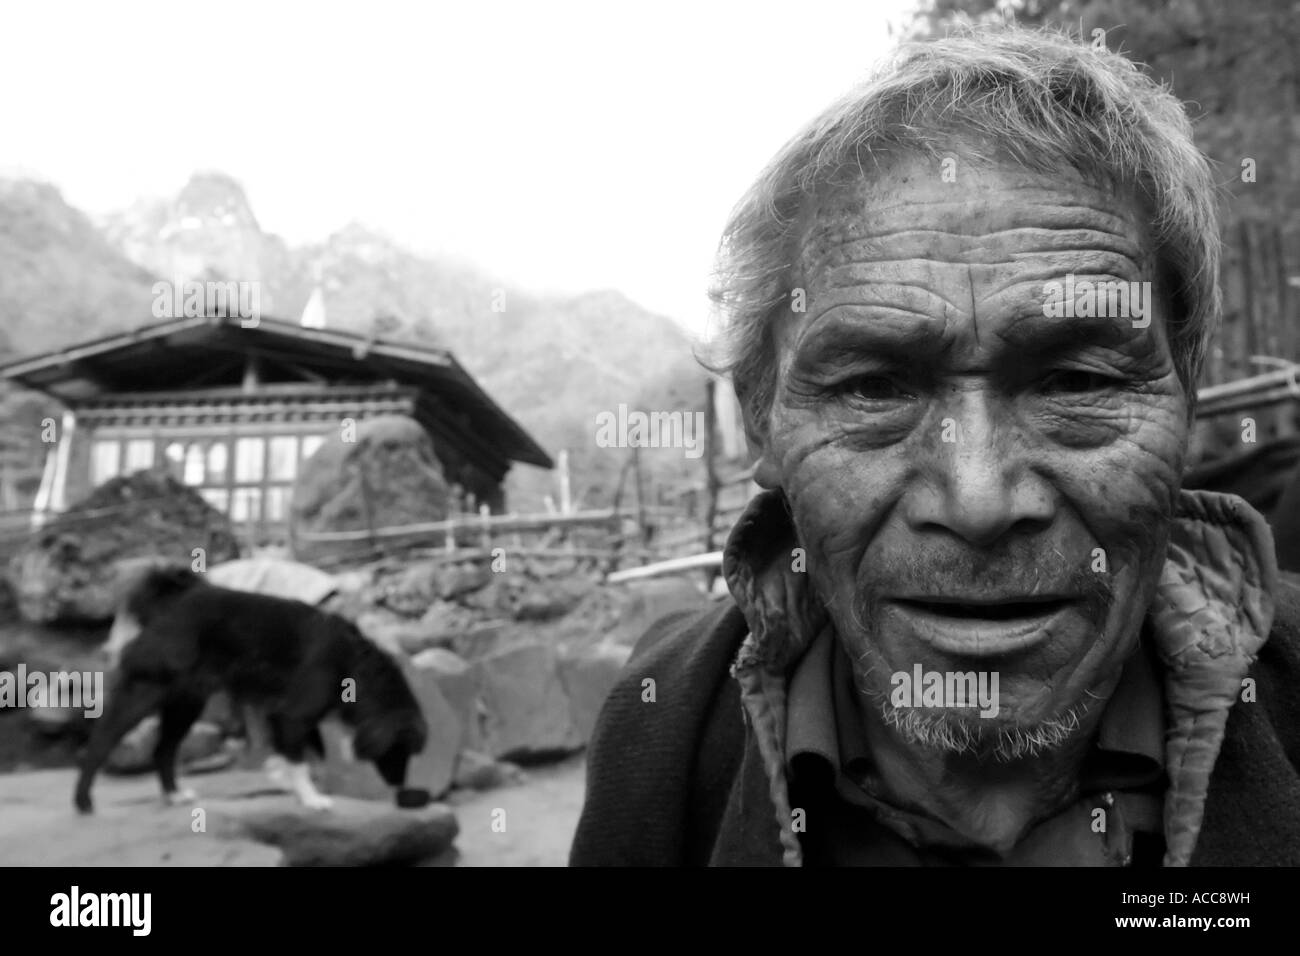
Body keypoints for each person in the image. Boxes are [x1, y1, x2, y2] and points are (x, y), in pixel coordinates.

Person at [569, 25, 1300, 866]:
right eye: (873, 388)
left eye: (1077, 382)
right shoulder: (662, 728)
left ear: (1186, 397)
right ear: (763, 420)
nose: (980, 500)